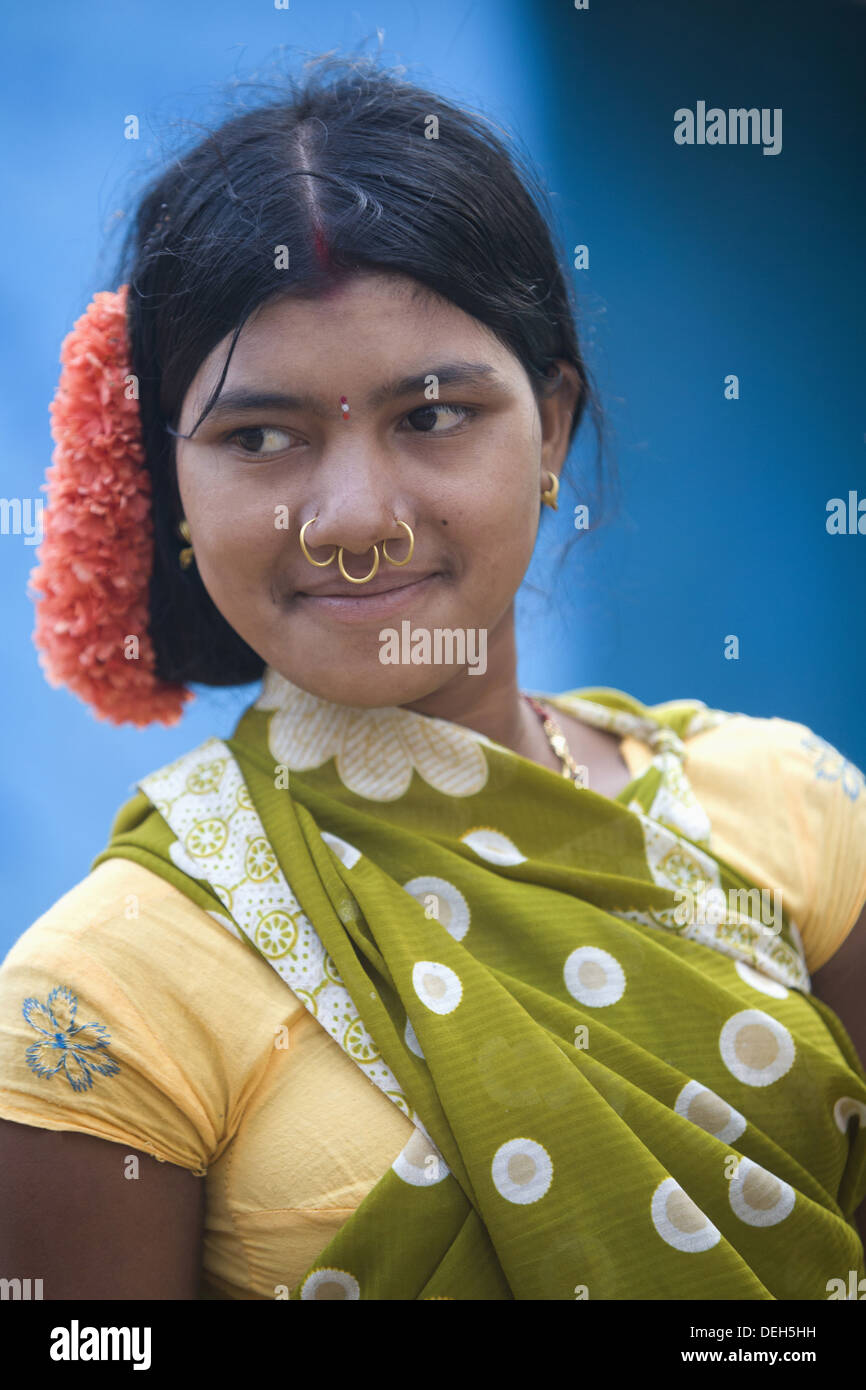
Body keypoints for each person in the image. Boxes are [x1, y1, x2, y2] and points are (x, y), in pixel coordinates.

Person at [1, 57, 864, 1302]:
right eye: (260, 436)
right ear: (169, 481)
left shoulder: (787, 815)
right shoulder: (102, 998)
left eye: (431, 415)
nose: (355, 518)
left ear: (552, 425)